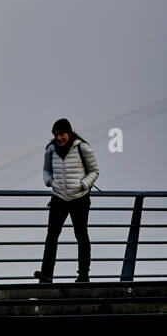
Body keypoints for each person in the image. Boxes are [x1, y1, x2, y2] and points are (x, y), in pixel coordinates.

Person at [34, 118, 98, 284]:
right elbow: (46, 170)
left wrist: (84, 185)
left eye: (61, 134)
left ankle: (83, 276)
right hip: (59, 199)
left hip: (79, 199)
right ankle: (46, 275)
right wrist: (49, 182)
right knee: (52, 236)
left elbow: (94, 171)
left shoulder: (82, 148)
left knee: (81, 236)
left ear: (69, 133)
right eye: (56, 135)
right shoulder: (51, 149)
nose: (59, 138)